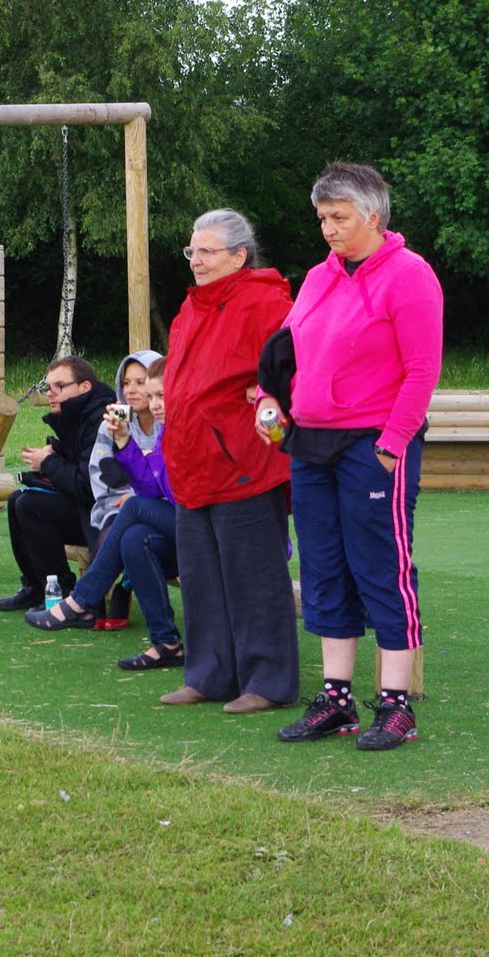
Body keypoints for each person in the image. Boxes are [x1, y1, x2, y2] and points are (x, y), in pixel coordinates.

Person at [260, 162, 442, 750]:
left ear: (373, 215)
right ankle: (335, 699)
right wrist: (268, 399)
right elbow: (286, 352)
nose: (329, 229)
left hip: (373, 443)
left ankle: (396, 704)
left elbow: (422, 370)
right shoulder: (319, 277)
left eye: (339, 217)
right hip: (312, 443)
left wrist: (391, 446)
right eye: (322, 218)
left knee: (381, 565)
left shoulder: (410, 275)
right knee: (322, 566)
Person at [159, 209, 299, 714]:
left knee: (255, 577)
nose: (195, 260)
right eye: (191, 251)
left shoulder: (266, 303)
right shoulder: (190, 307)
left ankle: (268, 682)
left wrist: (263, 398)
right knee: (200, 577)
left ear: (239, 256)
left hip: (244, 462)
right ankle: (209, 674)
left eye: (206, 251)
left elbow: (292, 371)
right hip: (191, 463)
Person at [24, 357, 182, 671]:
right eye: (128, 383)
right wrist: (123, 440)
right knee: (133, 538)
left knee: (133, 509)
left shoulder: (181, 428)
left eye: (157, 394)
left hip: (203, 525)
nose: (148, 400)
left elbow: (171, 493)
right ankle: (166, 643)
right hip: (159, 520)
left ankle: (82, 600)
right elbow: (148, 484)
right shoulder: (139, 426)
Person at [0, 356, 116, 612]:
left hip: (103, 517)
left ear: (84, 387)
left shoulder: (101, 419)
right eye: (48, 387)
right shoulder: (79, 412)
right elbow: (80, 462)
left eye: (59, 386)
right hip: (88, 508)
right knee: (17, 499)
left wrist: (48, 462)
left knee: (30, 505)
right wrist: (55, 453)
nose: (50, 393)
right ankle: (37, 587)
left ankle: (62, 591)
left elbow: (88, 487)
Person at [87, 349, 162, 628]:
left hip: (161, 506)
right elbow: (99, 468)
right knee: (112, 529)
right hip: (117, 503)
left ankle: (118, 589)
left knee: (131, 528)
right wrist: (122, 497)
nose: (131, 389)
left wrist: (136, 496)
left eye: (140, 382)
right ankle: (96, 600)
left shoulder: (168, 418)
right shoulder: (116, 418)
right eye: (126, 382)